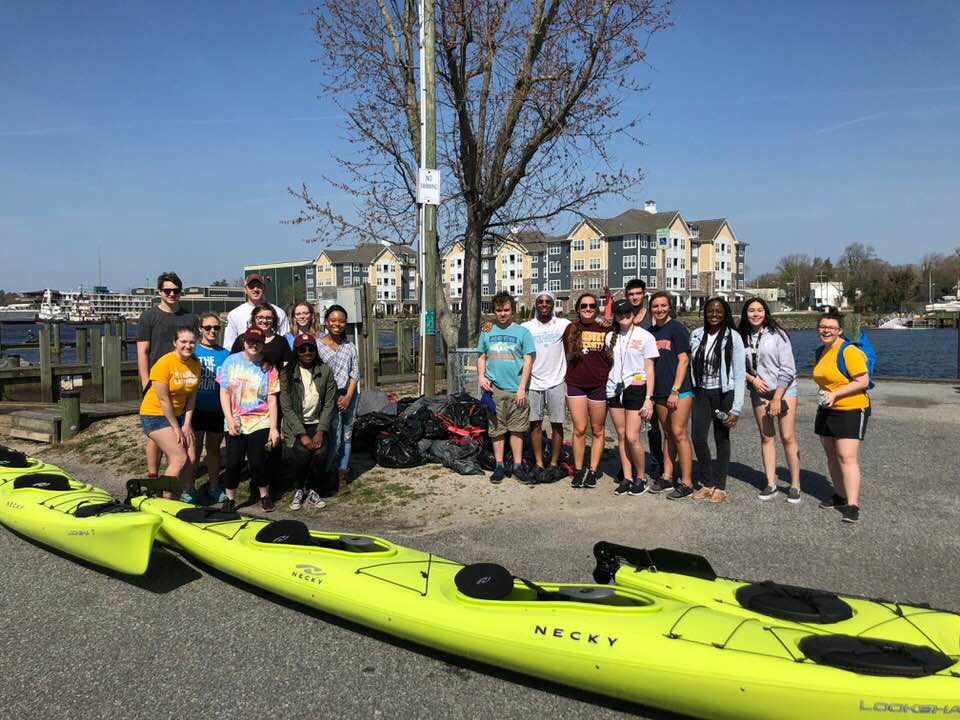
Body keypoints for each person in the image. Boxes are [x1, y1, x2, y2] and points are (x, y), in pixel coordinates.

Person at [738, 297, 801, 503]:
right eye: (751, 310)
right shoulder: (742, 336)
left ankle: (795, 484)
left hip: (783, 391)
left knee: (787, 436)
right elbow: (737, 364)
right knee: (767, 437)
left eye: (759, 310)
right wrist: (752, 379)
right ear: (745, 313)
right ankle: (771, 482)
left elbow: (788, 368)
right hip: (759, 390)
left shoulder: (777, 334)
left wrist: (777, 397)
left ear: (765, 312)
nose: (755, 314)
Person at [136, 272, 197, 479]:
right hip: (157, 381)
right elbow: (143, 352)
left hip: (181, 380)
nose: (172, 294)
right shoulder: (149, 316)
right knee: (156, 436)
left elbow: (192, 347)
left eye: (176, 291)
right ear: (160, 292)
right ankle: (153, 474)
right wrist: (146, 383)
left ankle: (178, 480)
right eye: (167, 290)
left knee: (177, 435)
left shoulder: (189, 318)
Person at [813, 309, 870, 524]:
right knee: (831, 455)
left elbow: (862, 381)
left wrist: (835, 393)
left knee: (847, 456)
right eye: (822, 327)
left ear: (840, 331)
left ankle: (853, 505)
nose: (826, 330)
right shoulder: (820, 351)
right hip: (827, 409)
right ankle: (839, 494)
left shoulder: (848, 351)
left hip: (852, 408)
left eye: (831, 328)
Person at [688, 297, 746, 504]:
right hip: (702, 392)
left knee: (722, 438)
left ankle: (720, 486)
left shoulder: (734, 338)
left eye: (719, 311)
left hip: (724, 393)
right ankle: (707, 482)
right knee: (698, 437)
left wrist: (736, 409)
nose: (714, 314)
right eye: (710, 311)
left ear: (725, 313)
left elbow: (740, 375)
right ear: (705, 313)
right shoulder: (696, 335)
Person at [217, 327, 281, 513]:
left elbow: (272, 398)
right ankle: (230, 498)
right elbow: (224, 392)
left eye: (258, 342)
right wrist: (228, 418)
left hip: (260, 419)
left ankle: (264, 495)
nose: (254, 345)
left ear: (263, 344)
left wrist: (274, 428)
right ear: (244, 342)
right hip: (235, 419)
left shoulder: (268, 366)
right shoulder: (231, 361)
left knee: (258, 460)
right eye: (250, 341)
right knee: (234, 462)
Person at [476, 291, 536, 485]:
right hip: (494, 390)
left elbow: (528, 361)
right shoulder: (487, 331)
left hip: (516, 389)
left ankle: (518, 465)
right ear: (494, 311)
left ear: (512, 310)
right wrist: (481, 376)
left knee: (517, 429)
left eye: (506, 310)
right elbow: (481, 357)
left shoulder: (522, 332)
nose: (503, 314)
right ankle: (499, 465)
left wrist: (521, 388)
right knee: (497, 430)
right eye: (499, 310)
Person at [138, 326, 200, 498]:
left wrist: (186, 424)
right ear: (175, 343)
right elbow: (164, 400)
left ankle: (183, 494)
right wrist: (176, 427)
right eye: (183, 342)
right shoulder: (164, 363)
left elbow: (192, 397)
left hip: (180, 415)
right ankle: (166, 501)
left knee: (191, 457)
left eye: (192, 342)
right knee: (179, 457)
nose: (188, 346)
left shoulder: (195, 364)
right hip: (155, 415)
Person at [279, 333, 338, 510]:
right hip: (297, 425)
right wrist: (302, 434)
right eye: (302, 349)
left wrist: (321, 431)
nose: (307, 352)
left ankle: (314, 490)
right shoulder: (287, 373)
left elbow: (329, 403)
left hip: (318, 422)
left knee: (320, 453)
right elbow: (286, 408)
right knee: (302, 454)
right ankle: (299, 488)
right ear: (296, 351)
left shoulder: (325, 370)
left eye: (310, 348)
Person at [606, 299, 658, 497]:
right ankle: (627, 477)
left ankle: (641, 477)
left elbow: (650, 370)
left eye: (628, 313)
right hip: (613, 389)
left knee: (632, 436)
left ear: (633, 314)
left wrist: (649, 398)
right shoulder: (610, 336)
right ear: (616, 317)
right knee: (620, 436)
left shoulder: (645, 336)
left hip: (636, 388)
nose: (624, 317)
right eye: (620, 314)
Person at [647, 292, 695, 499]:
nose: (659, 309)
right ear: (651, 309)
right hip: (659, 391)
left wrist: (675, 390)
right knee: (667, 433)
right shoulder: (650, 332)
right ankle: (667, 476)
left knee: (679, 433)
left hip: (679, 390)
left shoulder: (676, 328)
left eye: (663, 305)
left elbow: (683, 360)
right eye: (656, 306)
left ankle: (687, 481)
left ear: (669, 307)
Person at [562, 292, 611, 489]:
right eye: (584, 306)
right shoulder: (570, 328)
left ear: (596, 308)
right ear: (578, 309)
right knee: (580, 428)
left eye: (592, 306)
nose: (588, 309)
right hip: (576, 383)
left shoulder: (606, 328)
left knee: (598, 430)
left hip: (599, 384)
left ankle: (592, 471)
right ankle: (579, 469)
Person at [521, 290, 570, 483]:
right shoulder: (526, 327)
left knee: (557, 423)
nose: (543, 304)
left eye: (547, 302)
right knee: (535, 423)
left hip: (557, 381)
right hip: (534, 382)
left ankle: (554, 463)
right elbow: (506, 330)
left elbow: (585, 325)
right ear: (536, 304)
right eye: (540, 301)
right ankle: (539, 462)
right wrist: (487, 327)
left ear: (552, 304)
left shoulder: (563, 324)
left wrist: (603, 321)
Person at [316, 304, 360, 493]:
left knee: (347, 435)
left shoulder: (350, 346)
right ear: (326, 321)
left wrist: (349, 396)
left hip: (349, 394)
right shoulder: (318, 345)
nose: (337, 324)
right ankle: (326, 473)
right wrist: (333, 397)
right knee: (335, 436)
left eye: (341, 321)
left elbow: (355, 373)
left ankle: (342, 474)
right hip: (329, 397)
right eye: (333, 320)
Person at [625, 278, 664, 477]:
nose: (634, 297)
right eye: (631, 294)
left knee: (652, 424)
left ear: (644, 294)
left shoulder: (653, 317)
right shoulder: (623, 316)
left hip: (650, 377)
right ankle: (629, 465)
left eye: (638, 294)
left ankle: (658, 461)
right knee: (629, 429)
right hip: (631, 380)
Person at [191, 312, 230, 504]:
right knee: (194, 451)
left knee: (213, 451)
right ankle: (189, 488)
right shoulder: (192, 351)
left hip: (217, 409)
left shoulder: (225, 354)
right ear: (200, 329)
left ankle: (214, 486)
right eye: (208, 327)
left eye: (216, 328)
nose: (212, 331)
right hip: (196, 409)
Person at [223, 274, 291, 349]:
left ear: (264, 288)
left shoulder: (279, 312)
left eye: (259, 286)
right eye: (251, 286)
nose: (255, 289)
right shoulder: (234, 314)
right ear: (245, 290)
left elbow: (287, 342)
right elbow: (229, 346)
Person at [230, 303, 294, 371]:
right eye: (260, 317)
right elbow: (231, 362)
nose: (264, 321)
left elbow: (287, 366)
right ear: (254, 318)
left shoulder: (281, 342)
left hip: (273, 380)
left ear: (274, 320)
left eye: (269, 318)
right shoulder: (242, 339)